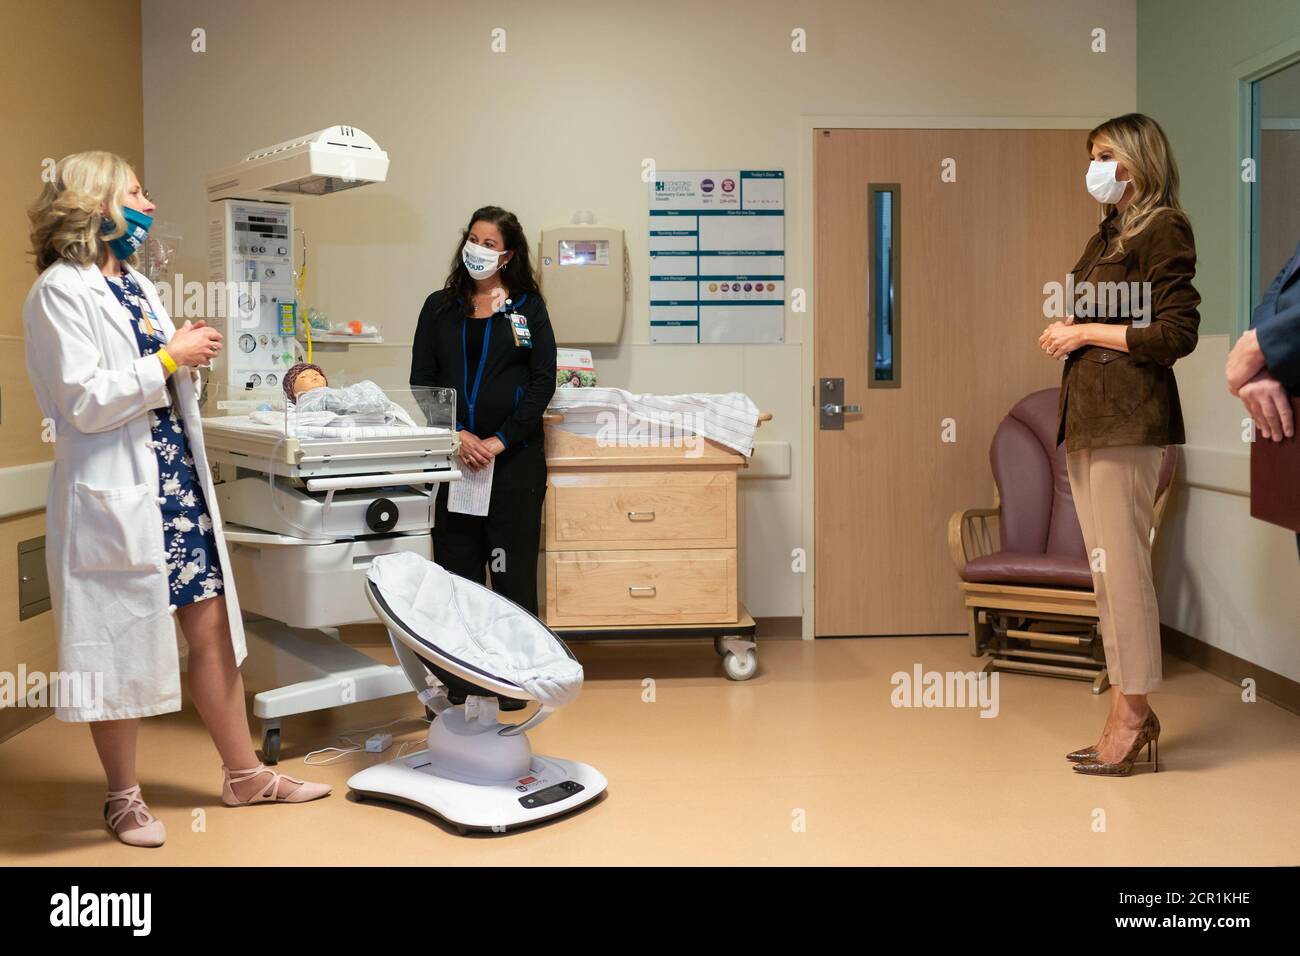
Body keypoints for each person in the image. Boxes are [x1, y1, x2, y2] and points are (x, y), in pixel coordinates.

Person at [23, 152, 330, 847]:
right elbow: (81, 402)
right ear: (96, 203)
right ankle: (123, 798)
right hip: (115, 491)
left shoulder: (136, 285)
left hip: (174, 483)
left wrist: (184, 357)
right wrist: (169, 358)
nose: (149, 205)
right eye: (136, 193)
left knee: (212, 627)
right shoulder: (58, 293)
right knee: (118, 639)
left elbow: (153, 379)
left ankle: (245, 774)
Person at [1038, 114, 1200, 776]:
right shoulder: (1111, 234)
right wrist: (1074, 327)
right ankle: (1126, 709)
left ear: (1136, 161)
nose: (1094, 167)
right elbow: (1114, 313)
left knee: (1125, 574)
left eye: (1104, 155)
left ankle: (1131, 717)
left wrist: (1084, 334)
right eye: (1091, 156)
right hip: (1091, 420)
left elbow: (1176, 333)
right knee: (1107, 576)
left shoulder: (1164, 227)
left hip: (1130, 423)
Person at [410, 206, 557, 623]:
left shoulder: (528, 309)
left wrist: (499, 440)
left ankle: (513, 682)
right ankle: (461, 684)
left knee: (512, 578)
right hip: (454, 460)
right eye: (472, 239)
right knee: (457, 578)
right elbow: (423, 379)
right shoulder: (439, 307)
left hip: (513, 463)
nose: (477, 249)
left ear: (507, 256)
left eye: (489, 244)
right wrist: (457, 433)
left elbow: (542, 382)